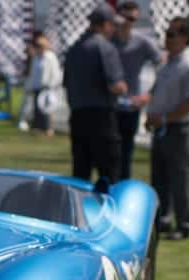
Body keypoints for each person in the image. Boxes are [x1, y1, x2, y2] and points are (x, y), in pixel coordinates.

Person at [145, 16, 189, 240]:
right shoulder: (167, 63)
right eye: (166, 34)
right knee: (159, 176)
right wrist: (152, 116)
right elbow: (156, 92)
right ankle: (163, 219)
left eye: (171, 35)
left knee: (180, 177)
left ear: (185, 38)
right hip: (162, 127)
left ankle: (185, 223)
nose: (167, 39)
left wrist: (165, 118)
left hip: (178, 129)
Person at [62, 3, 127, 184]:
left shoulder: (74, 49)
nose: (113, 29)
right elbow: (115, 85)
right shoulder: (105, 47)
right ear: (104, 24)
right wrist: (124, 88)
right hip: (102, 118)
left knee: (81, 173)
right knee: (109, 173)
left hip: (77, 116)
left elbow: (66, 84)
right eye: (112, 25)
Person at [112, 1, 163, 180]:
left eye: (132, 19)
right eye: (125, 18)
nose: (128, 22)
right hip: (108, 107)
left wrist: (148, 95)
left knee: (126, 155)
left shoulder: (142, 42)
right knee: (106, 155)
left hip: (130, 107)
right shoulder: (107, 41)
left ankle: (122, 191)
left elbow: (164, 68)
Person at [23, 35, 62, 135]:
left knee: (47, 109)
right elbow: (33, 72)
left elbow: (55, 72)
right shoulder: (36, 57)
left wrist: (51, 84)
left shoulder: (50, 57)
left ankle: (49, 128)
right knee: (37, 108)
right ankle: (38, 127)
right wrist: (32, 85)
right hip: (37, 86)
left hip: (47, 87)